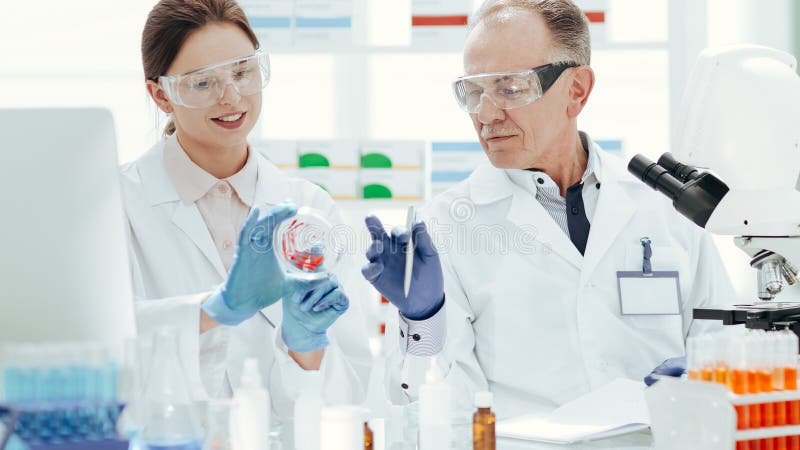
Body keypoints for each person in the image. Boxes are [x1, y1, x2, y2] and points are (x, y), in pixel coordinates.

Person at [362, 0, 736, 417]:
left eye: (509, 87)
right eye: (474, 91)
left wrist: (711, 378)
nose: (486, 114)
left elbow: (726, 346)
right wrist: (424, 321)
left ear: (577, 90)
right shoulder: (445, 226)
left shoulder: (665, 206)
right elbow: (439, 411)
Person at [121, 0, 370, 417]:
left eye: (242, 72)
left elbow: (347, 395)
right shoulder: (118, 205)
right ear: (161, 95)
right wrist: (214, 311)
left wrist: (304, 347)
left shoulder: (310, 209)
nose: (232, 97)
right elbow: (97, 349)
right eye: (203, 83)